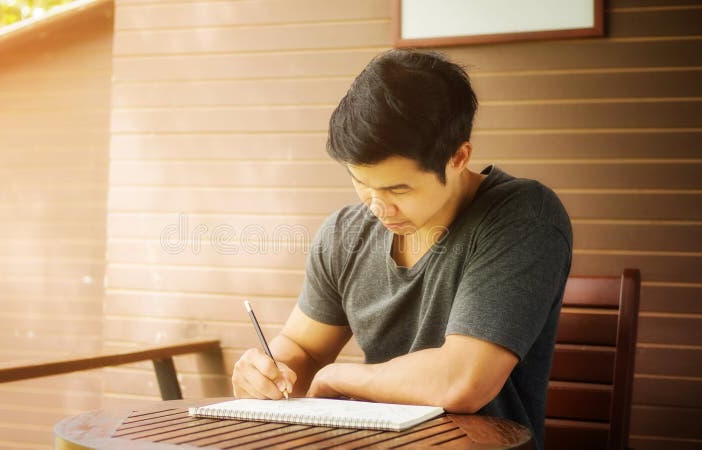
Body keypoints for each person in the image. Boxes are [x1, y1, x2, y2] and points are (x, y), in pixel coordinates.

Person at [231, 49, 572, 450]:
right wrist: (269, 372)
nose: (377, 207)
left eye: (398, 189)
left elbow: (463, 380)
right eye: (362, 182)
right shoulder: (345, 234)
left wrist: (339, 377)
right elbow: (304, 349)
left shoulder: (522, 216)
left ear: (459, 157)